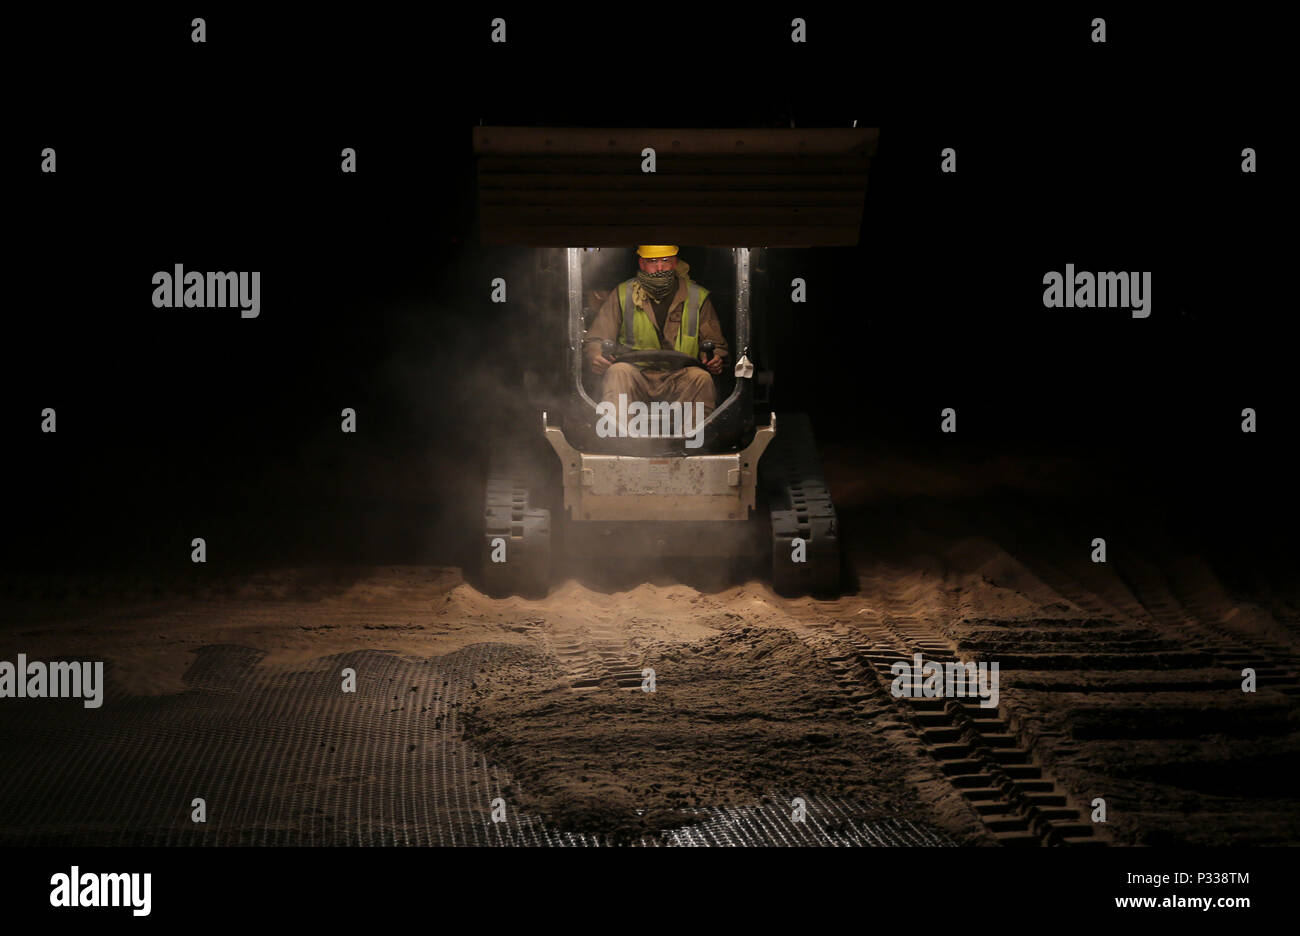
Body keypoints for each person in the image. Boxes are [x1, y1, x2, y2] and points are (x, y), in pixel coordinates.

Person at [583, 246, 729, 418]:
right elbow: (597, 338)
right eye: (652, 261)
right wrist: (596, 355)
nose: (660, 268)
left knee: (701, 378)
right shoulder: (622, 294)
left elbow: (716, 343)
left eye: (665, 260)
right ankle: (620, 440)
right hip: (636, 375)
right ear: (642, 263)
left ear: (675, 262)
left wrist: (716, 358)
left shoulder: (697, 297)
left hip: (680, 376)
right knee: (617, 372)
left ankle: (696, 441)